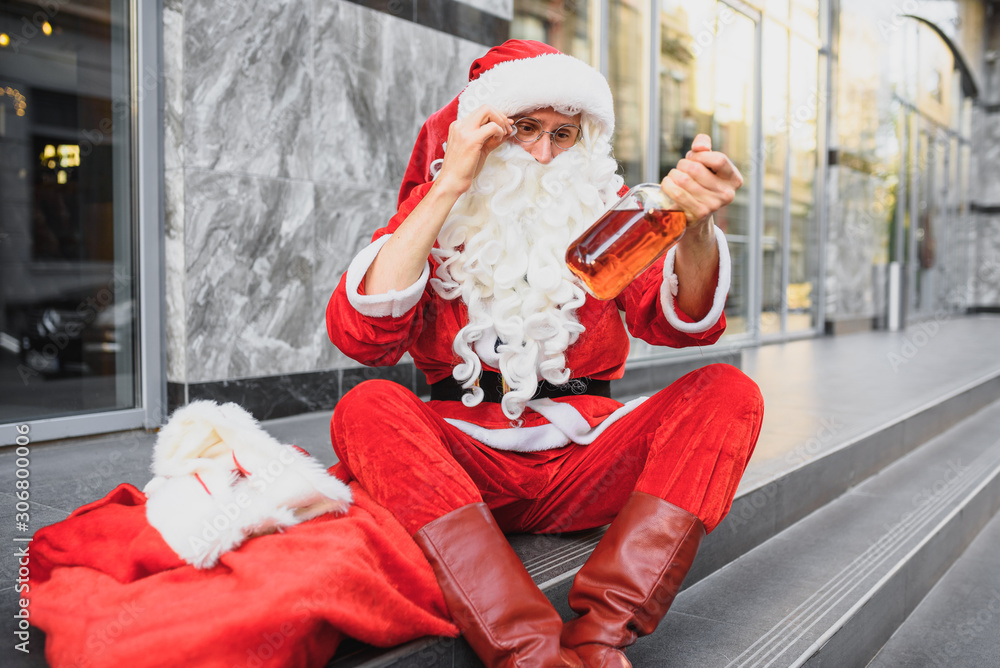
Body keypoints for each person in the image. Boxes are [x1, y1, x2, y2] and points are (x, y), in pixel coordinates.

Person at [327, 40, 763, 668]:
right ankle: (530, 651)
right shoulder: (434, 212)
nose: (543, 153)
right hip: (462, 464)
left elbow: (685, 325)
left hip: (587, 460)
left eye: (564, 134)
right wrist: (450, 182)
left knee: (729, 391)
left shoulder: (604, 219)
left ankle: (601, 636)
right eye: (525, 129)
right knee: (367, 406)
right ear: (482, 133)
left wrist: (693, 222)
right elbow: (361, 338)